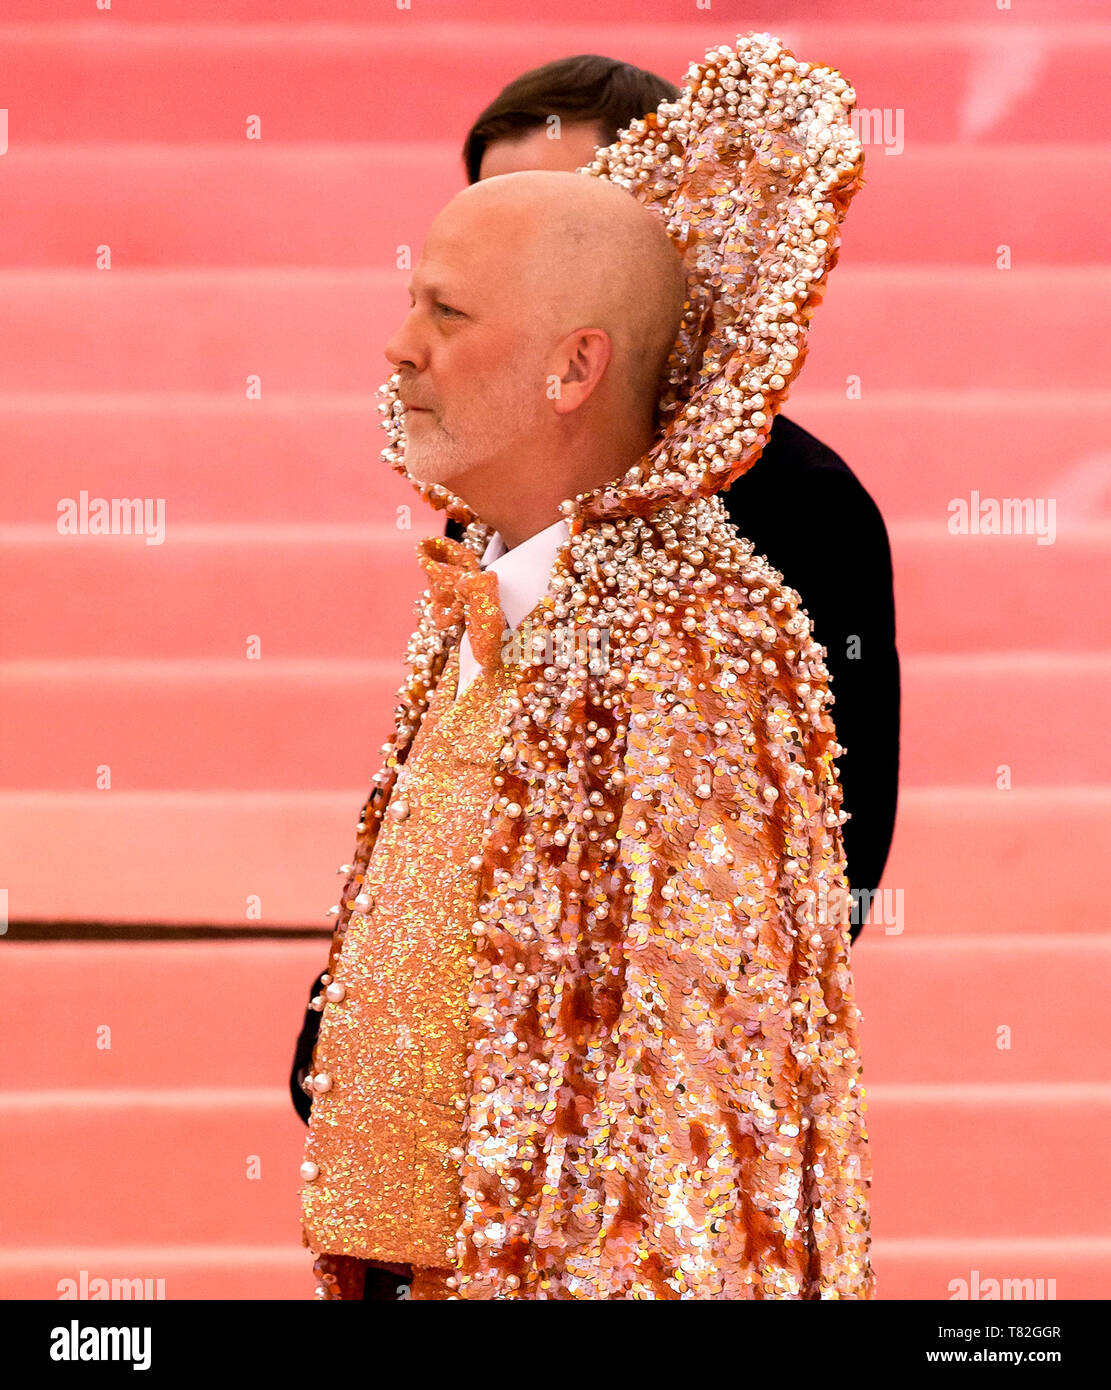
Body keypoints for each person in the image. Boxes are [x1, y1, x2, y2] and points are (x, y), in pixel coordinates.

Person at [298, 35, 875, 1300]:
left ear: (576, 363)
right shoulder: (503, 560)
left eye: (445, 314)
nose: (398, 350)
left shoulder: (702, 635)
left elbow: (699, 1080)